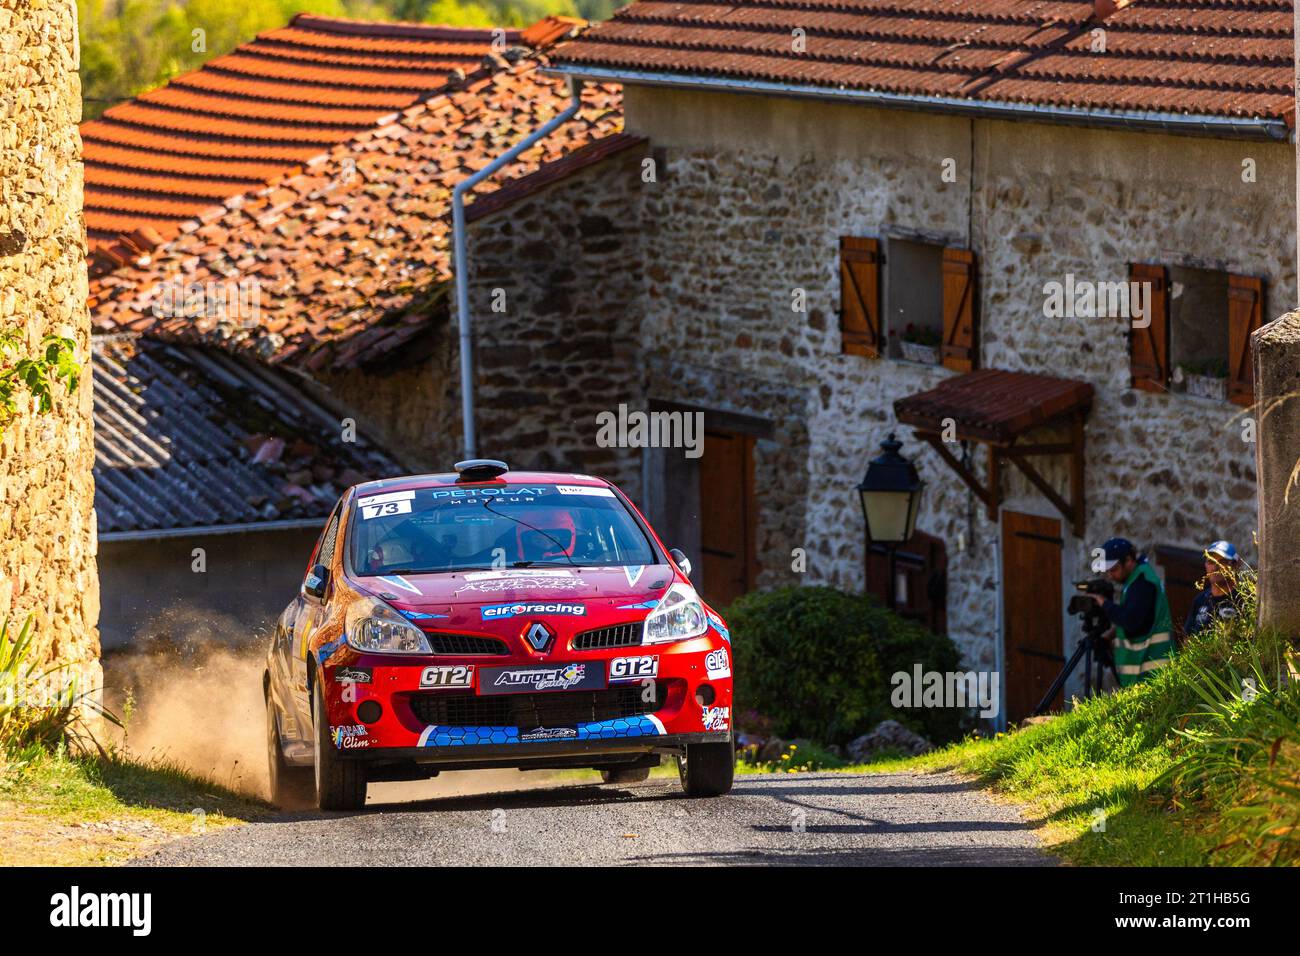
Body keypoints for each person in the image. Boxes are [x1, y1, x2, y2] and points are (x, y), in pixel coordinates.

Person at [1089, 537, 1174, 687]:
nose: (1110, 575)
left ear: (1128, 561)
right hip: (1146, 670)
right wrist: (1108, 637)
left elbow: (1131, 620)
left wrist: (1105, 604)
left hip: (1151, 670)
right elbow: (1142, 617)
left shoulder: (1142, 583)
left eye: (1114, 569)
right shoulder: (1137, 579)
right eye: (1107, 571)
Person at [1183, 540, 1241, 639]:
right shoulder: (1200, 600)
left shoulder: (1243, 600)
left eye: (1222, 561)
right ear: (1205, 565)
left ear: (1235, 565)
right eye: (1211, 561)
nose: (1215, 567)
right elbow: (1187, 640)